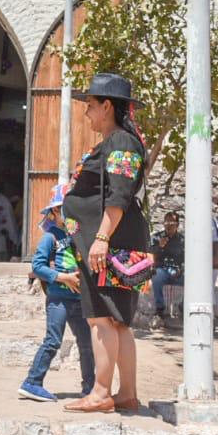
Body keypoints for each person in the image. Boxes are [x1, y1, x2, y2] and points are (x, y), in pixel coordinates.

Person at [61, 73, 150, 414]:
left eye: (91, 105)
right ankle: (126, 394)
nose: (87, 113)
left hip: (110, 242)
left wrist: (100, 238)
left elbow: (119, 195)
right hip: (116, 240)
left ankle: (101, 393)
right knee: (118, 320)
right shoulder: (118, 142)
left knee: (101, 318)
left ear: (107, 106)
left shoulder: (121, 142)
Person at [19, 184, 95, 402]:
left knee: (87, 343)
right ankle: (32, 382)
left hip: (79, 299)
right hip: (59, 298)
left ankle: (90, 387)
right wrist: (63, 278)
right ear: (54, 211)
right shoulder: (50, 237)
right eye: (65, 208)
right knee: (53, 340)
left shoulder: (78, 235)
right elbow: (37, 267)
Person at [149, 212, 184, 320]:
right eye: (166, 222)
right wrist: (159, 246)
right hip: (162, 270)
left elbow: (187, 258)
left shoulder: (182, 240)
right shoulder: (157, 238)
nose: (168, 225)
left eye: (171, 223)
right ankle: (160, 308)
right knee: (157, 276)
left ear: (177, 225)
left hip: (178, 271)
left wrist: (182, 269)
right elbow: (150, 254)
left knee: (192, 279)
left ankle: (183, 305)